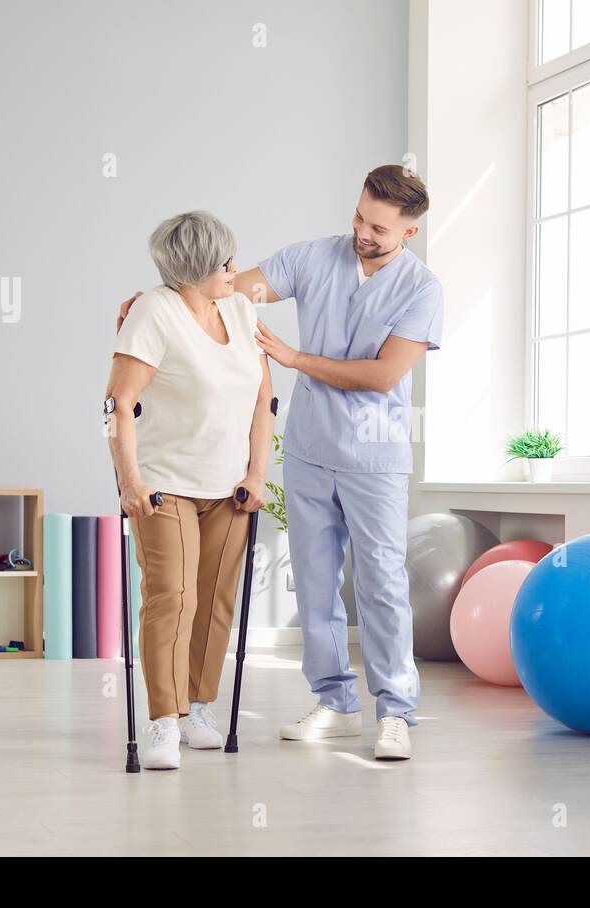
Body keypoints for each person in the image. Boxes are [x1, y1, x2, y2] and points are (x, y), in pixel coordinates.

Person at [119, 166, 443, 761]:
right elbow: (225, 286)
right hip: (311, 453)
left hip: (375, 458)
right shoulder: (314, 258)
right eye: (358, 216)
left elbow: (383, 375)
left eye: (378, 227)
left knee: (381, 585)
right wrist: (157, 299)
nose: (361, 232)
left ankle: (394, 710)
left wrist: (294, 358)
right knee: (316, 586)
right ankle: (335, 703)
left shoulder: (422, 290)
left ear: (410, 232)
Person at [106, 210, 273, 770]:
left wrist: (257, 474)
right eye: (224, 261)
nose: (234, 267)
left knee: (214, 602)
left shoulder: (241, 307)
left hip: (231, 488)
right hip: (165, 485)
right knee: (171, 600)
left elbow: (261, 400)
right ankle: (163, 723)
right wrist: (130, 481)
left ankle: (199, 708)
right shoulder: (153, 311)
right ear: (196, 267)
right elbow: (120, 404)